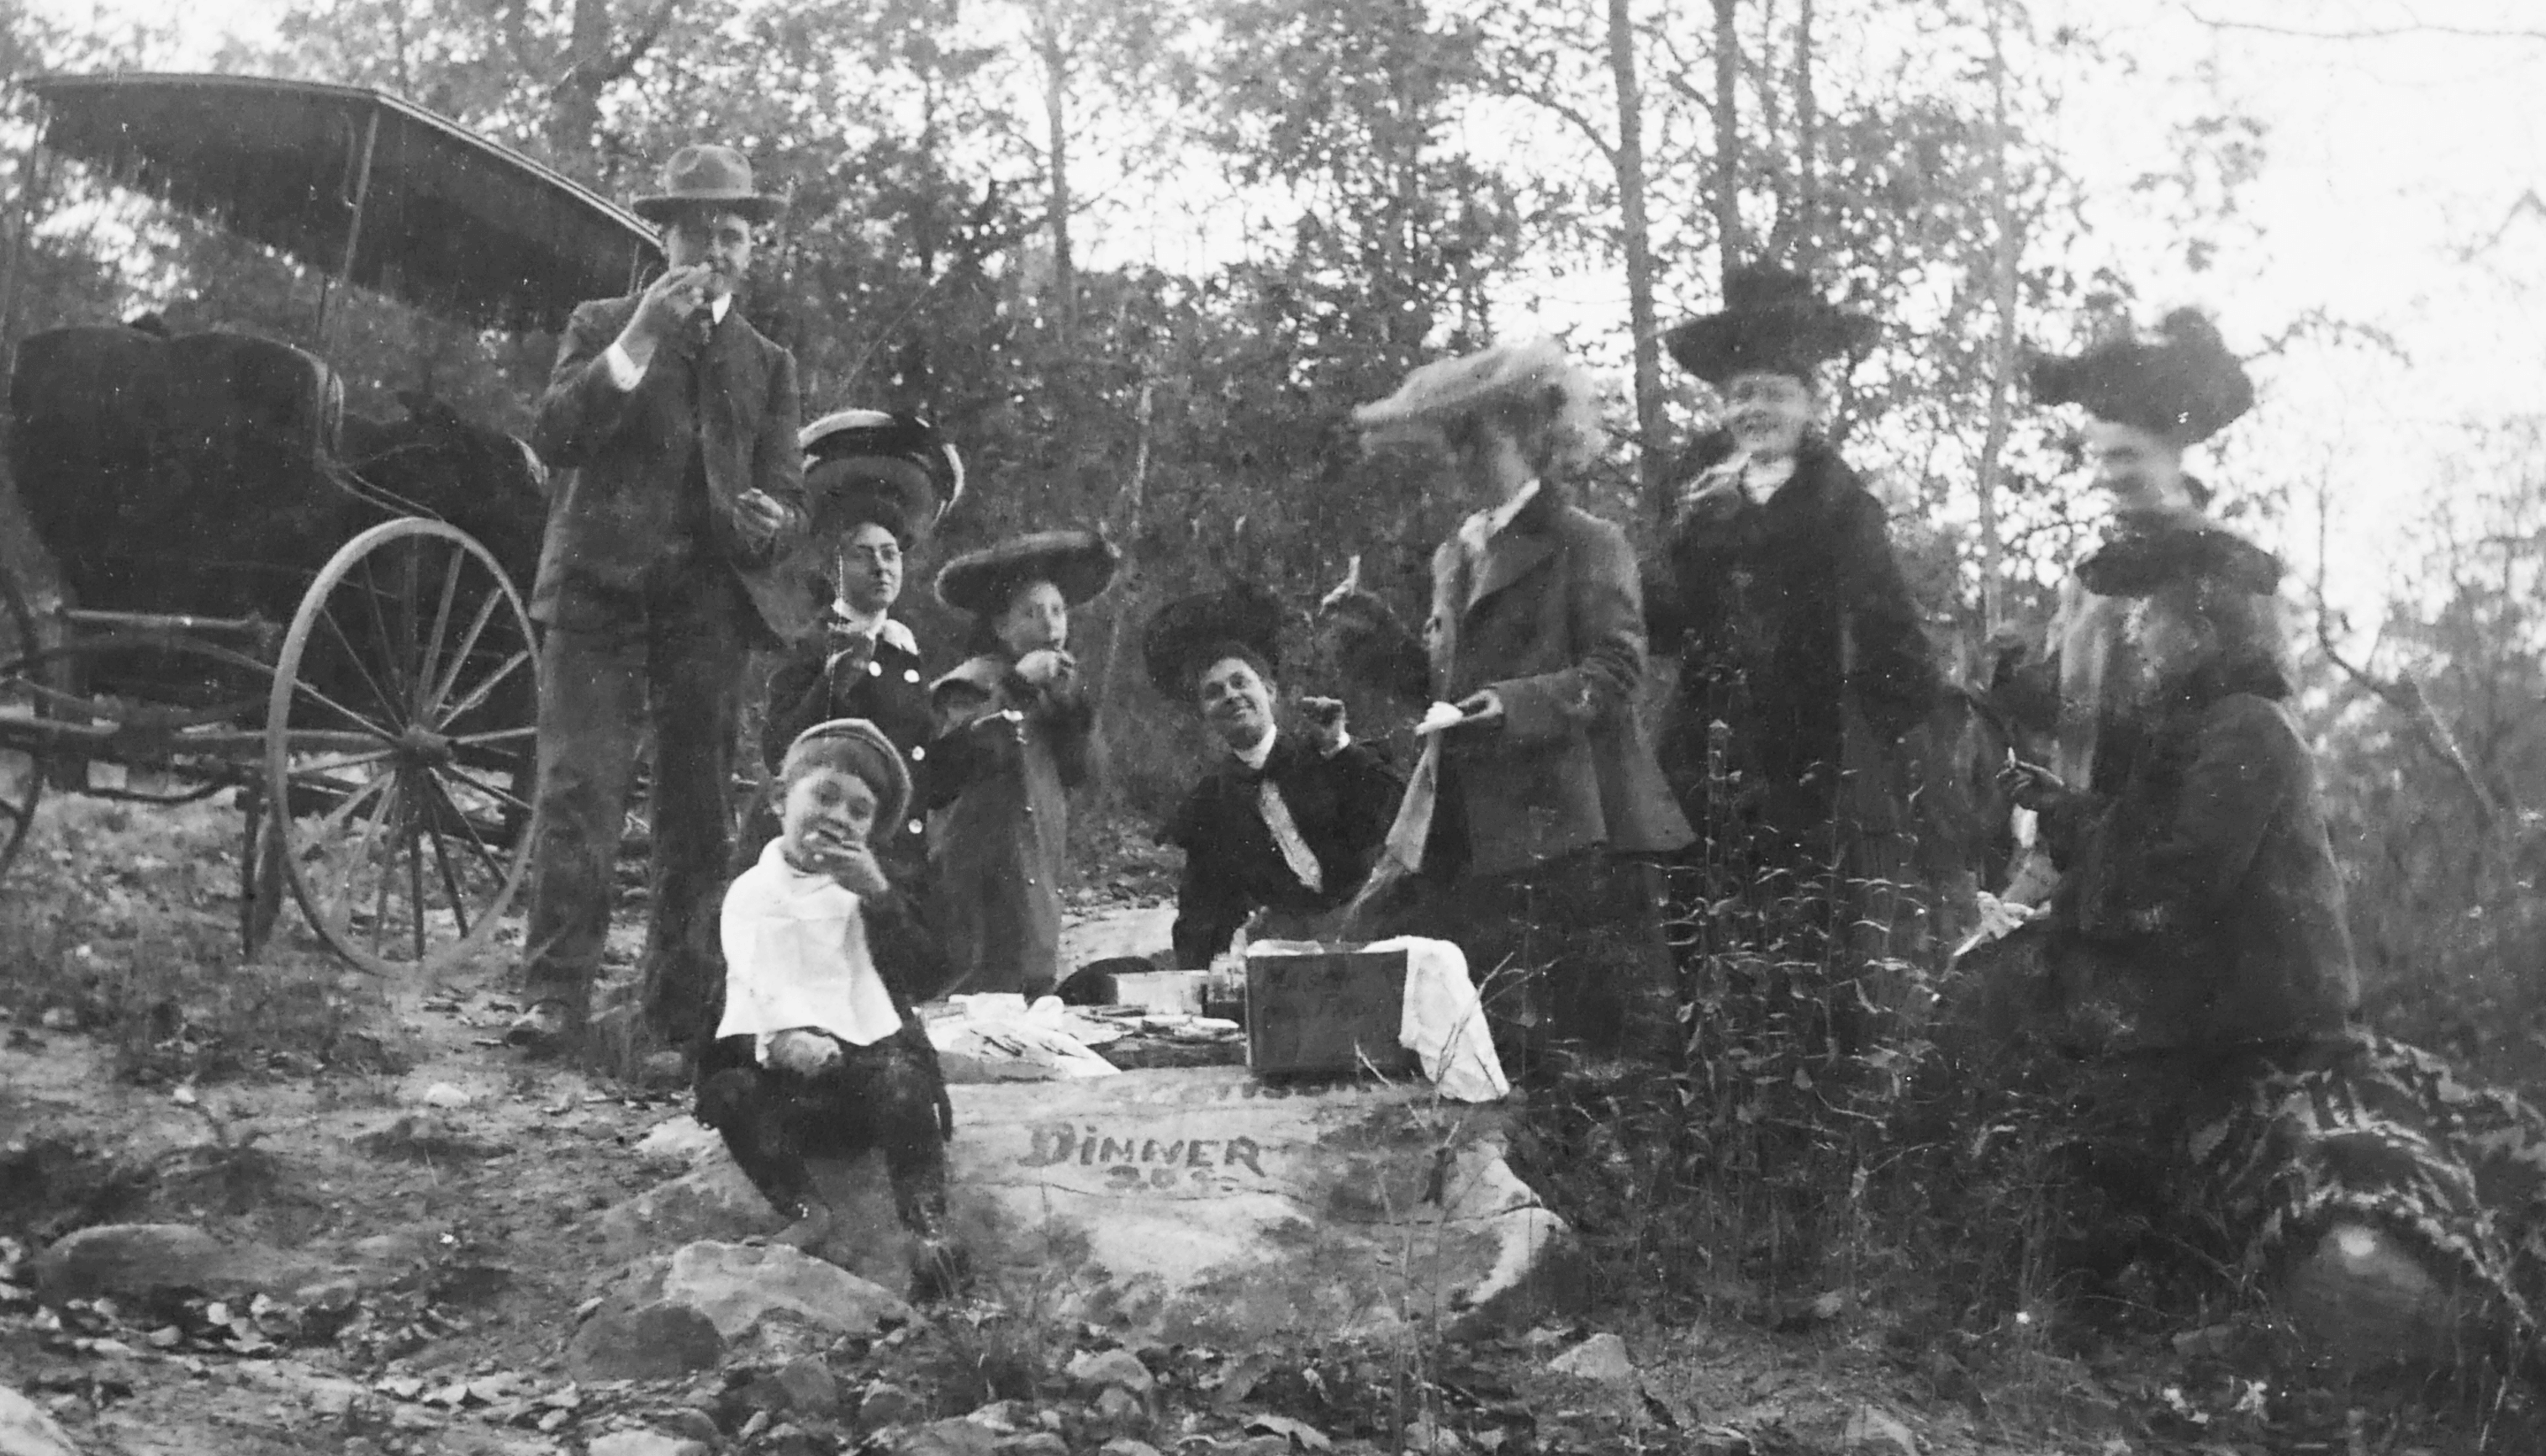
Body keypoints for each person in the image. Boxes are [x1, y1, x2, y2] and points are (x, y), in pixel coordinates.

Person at [1995, 529, 2546, 1371]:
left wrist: (2075, 897)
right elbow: (2145, 847)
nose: (2136, 634)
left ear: (2200, 630)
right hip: (2206, 1010)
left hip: (2257, 1022)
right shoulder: (2199, 727)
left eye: (2152, 618)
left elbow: (2174, 881)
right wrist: (2067, 814)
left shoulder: (2245, 728)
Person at [510, 144, 809, 1052]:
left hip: (704, 605)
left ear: (753, 249)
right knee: (577, 791)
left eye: (730, 234)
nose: (712, 251)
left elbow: (791, 497)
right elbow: (557, 432)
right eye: (694, 234)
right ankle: (553, 998)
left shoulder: (767, 363)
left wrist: (773, 521)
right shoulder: (601, 320)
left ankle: (676, 1005)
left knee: (696, 806)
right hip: (599, 593)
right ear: (662, 237)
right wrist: (637, 336)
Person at [1327, 336, 1693, 1059]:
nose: (1459, 459)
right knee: (1467, 1037)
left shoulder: (1587, 541)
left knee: (1581, 1047)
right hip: (1467, 832)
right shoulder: (1456, 555)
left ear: (1529, 437)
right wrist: (1372, 635)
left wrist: (1512, 703)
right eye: (1451, 442)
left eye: (1476, 439)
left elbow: (1616, 673)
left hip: (1568, 833)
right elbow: (1444, 691)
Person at [1645, 263, 1939, 871]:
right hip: (1706, 751)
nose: (1756, 410)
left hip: (1811, 758)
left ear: (1810, 405)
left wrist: (1864, 746)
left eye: (1776, 394)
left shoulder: (1844, 508)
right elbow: (1663, 624)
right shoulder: (1696, 502)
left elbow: (1896, 645)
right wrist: (1684, 539)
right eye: (1741, 395)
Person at [694, 719, 956, 1284]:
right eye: (826, 797)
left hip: (862, 1080)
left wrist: (879, 897)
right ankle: (806, 1208)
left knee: (904, 1083)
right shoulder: (747, 892)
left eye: (859, 812)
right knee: (730, 1094)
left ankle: (927, 1225)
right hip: (780, 1084)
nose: (838, 817)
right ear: (781, 799)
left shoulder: (869, 891)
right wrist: (775, 1035)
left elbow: (931, 972)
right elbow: (734, 983)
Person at [749, 409, 964, 889]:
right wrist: (838, 678)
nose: (882, 567)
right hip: (830, 855)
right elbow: (780, 749)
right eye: (863, 555)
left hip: (896, 861)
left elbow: (918, 760)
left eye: (890, 555)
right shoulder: (813, 641)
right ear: (835, 567)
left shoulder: (903, 648)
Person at [1144, 583, 1404, 967]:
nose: (1230, 696)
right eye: (1213, 693)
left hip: (1370, 925)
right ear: (1204, 713)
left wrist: (1339, 749)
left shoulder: (1326, 754)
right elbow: (1204, 907)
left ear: (1269, 691)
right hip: (1288, 948)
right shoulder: (1210, 803)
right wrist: (1201, 972)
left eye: (1240, 682)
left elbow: (1394, 813)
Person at [924, 529, 1117, 999]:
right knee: (977, 987)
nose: (1050, 625)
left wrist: (1073, 710)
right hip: (978, 874)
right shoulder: (967, 686)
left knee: (1033, 982)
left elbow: (1088, 775)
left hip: (1037, 867)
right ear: (1001, 627)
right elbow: (957, 760)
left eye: (1057, 611)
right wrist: (1016, 687)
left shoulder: (1061, 691)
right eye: (1031, 613)